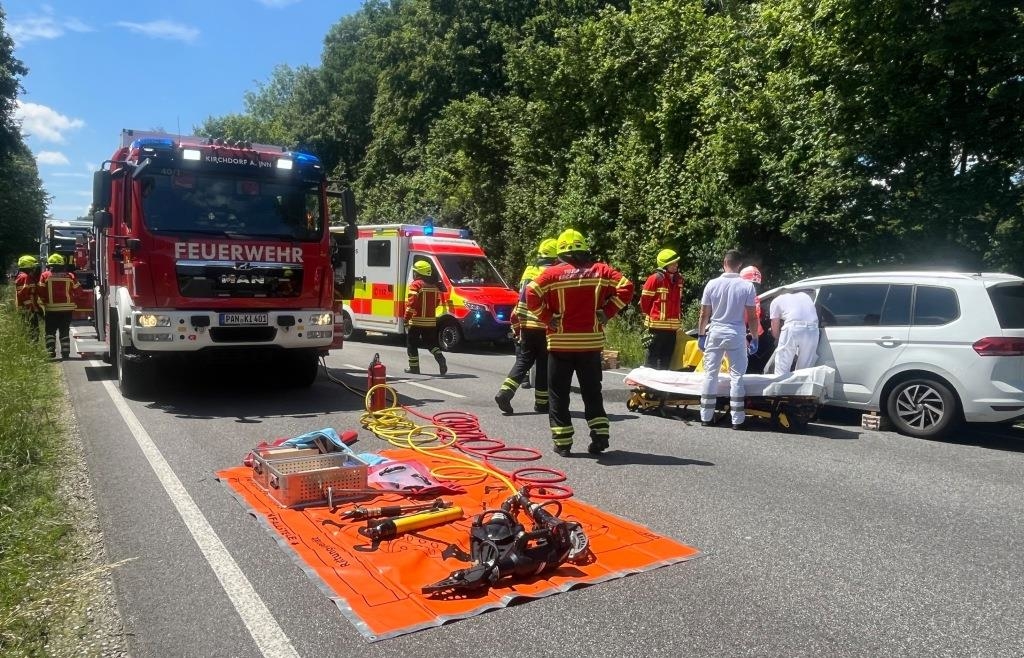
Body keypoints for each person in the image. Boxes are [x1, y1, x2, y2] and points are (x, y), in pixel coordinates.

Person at [526, 228, 633, 456]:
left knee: (558, 394)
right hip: (590, 344)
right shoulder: (600, 270)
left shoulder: (552, 274)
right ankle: (600, 437)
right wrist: (608, 311)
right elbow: (627, 287)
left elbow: (530, 293)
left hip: (560, 344)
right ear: (584, 249)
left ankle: (563, 443)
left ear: (561, 253)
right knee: (592, 393)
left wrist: (547, 318)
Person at [495, 238, 557, 415]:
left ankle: (505, 392)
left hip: (527, 323)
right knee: (544, 364)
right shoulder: (555, 274)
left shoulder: (530, 271)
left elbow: (521, 299)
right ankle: (541, 403)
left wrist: (518, 324)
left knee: (523, 360)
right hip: (546, 325)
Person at [696, 249, 758, 429]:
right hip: (736, 334)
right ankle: (737, 420)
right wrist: (754, 338)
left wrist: (701, 335)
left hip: (715, 332)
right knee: (737, 376)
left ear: (724, 263)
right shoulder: (747, 286)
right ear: (739, 265)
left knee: (710, 374)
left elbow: (703, 313)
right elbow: (752, 317)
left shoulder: (712, 284)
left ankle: (706, 416)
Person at [640, 248, 684, 370]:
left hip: (672, 328)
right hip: (656, 327)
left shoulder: (679, 279)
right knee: (652, 358)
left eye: (676, 263)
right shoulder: (654, 279)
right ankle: (647, 385)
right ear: (664, 265)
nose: (676, 265)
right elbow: (645, 302)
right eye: (673, 263)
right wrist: (651, 315)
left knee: (666, 359)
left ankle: (661, 387)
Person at [403, 259, 448, 376]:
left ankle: (414, 368)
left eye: (415, 272)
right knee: (431, 344)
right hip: (430, 322)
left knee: (412, 344)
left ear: (418, 273)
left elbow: (411, 304)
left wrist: (406, 318)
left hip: (416, 321)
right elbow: (437, 302)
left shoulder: (416, 285)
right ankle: (440, 357)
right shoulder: (433, 286)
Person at [39, 253, 81, 360]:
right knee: (64, 330)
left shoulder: (45, 276)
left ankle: (50, 352)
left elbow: (40, 291)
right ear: (62, 265)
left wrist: (44, 301)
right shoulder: (70, 276)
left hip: (51, 309)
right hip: (67, 309)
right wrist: (73, 300)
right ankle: (66, 353)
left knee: (50, 332)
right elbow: (79, 291)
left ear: (50, 265)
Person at [769, 290, 820, 375]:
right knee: (805, 369)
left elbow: (775, 324)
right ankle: (801, 387)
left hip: (793, 327)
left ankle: (781, 386)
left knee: (782, 365)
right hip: (812, 329)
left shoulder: (775, 301)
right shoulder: (804, 295)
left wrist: (777, 338)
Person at [14, 255, 43, 341]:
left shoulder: (27, 277)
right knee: (32, 333)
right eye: (33, 266)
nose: (35, 269)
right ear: (28, 266)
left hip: (29, 309)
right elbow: (24, 295)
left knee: (33, 332)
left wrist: (37, 308)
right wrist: (32, 309)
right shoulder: (24, 277)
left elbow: (31, 295)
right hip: (27, 310)